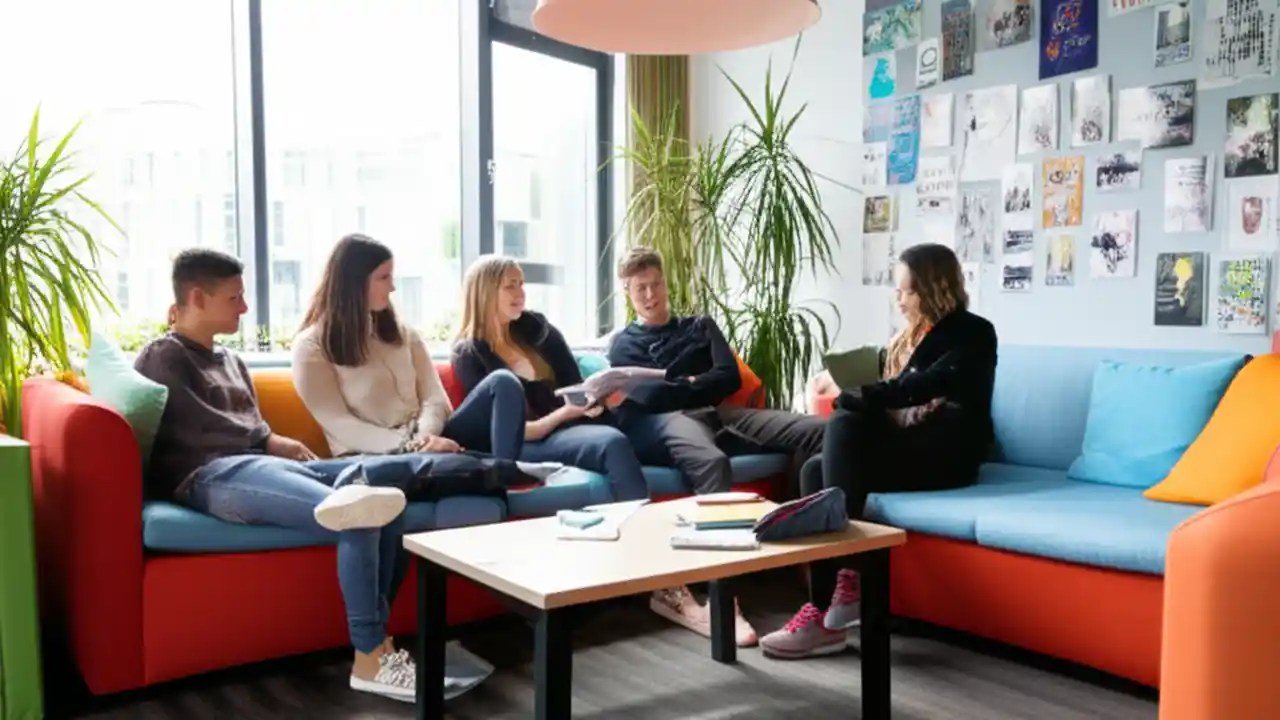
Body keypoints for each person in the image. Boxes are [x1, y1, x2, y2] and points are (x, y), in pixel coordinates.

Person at [137, 249, 421, 702]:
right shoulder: (163, 356)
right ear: (196, 297)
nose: (245, 308)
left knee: (383, 497)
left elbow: (249, 427)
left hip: (260, 465)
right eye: (234, 298)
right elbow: (206, 435)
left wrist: (273, 440)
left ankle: (380, 646)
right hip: (211, 476)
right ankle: (370, 657)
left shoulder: (231, 360)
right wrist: (262, 442)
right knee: (356, 510)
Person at [759, 243, 997, 659]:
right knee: (815, 471)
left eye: (905, 291)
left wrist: (855, 396)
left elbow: (926, 386)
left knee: (846, 420)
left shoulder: (973, 332)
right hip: (914, 447)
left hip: (949, 454)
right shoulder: (911, 339)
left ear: (931, 288)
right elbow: (898, 394)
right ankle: (830, 602)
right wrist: (849, 391)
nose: (898, 299)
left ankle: (839, 589)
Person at [607, 246, 827, 648]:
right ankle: (722, 597)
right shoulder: (624, 345)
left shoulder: (700, 325)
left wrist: (684, 385)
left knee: (818, 430)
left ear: (666, 281)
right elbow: (648, 399)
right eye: (641, 289)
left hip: (720, 413)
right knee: (712, 462)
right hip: (669, 424)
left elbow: (726, 378)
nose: (651, 295)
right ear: (627, 291)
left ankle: (813, 562)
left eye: (656, 284)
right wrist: (690, 383)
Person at [291, 234, 531, 463]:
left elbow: (435, 398)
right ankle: (478, 471)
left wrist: (426, 438)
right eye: (384, 277)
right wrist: (410, 445)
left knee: (503, 382)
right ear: (355, 283)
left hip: (430, 439)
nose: (393, 287)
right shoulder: (311, 348)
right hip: (372, 455)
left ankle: (503, 471)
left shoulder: (402, 333)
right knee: (452, 475)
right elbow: (339, 423)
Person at [450, 255, 650, 503]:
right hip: (523, 444)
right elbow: (510, 432)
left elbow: (576, 386)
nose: (520, 293)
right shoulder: (470, 354)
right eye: (510, 285)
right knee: (611, 442)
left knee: (647, 429)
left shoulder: (539, 332)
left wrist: (600, 399)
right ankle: (637, 527)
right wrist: (565, 414)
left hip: (566, 429)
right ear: (484, 292)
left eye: (521, 284)